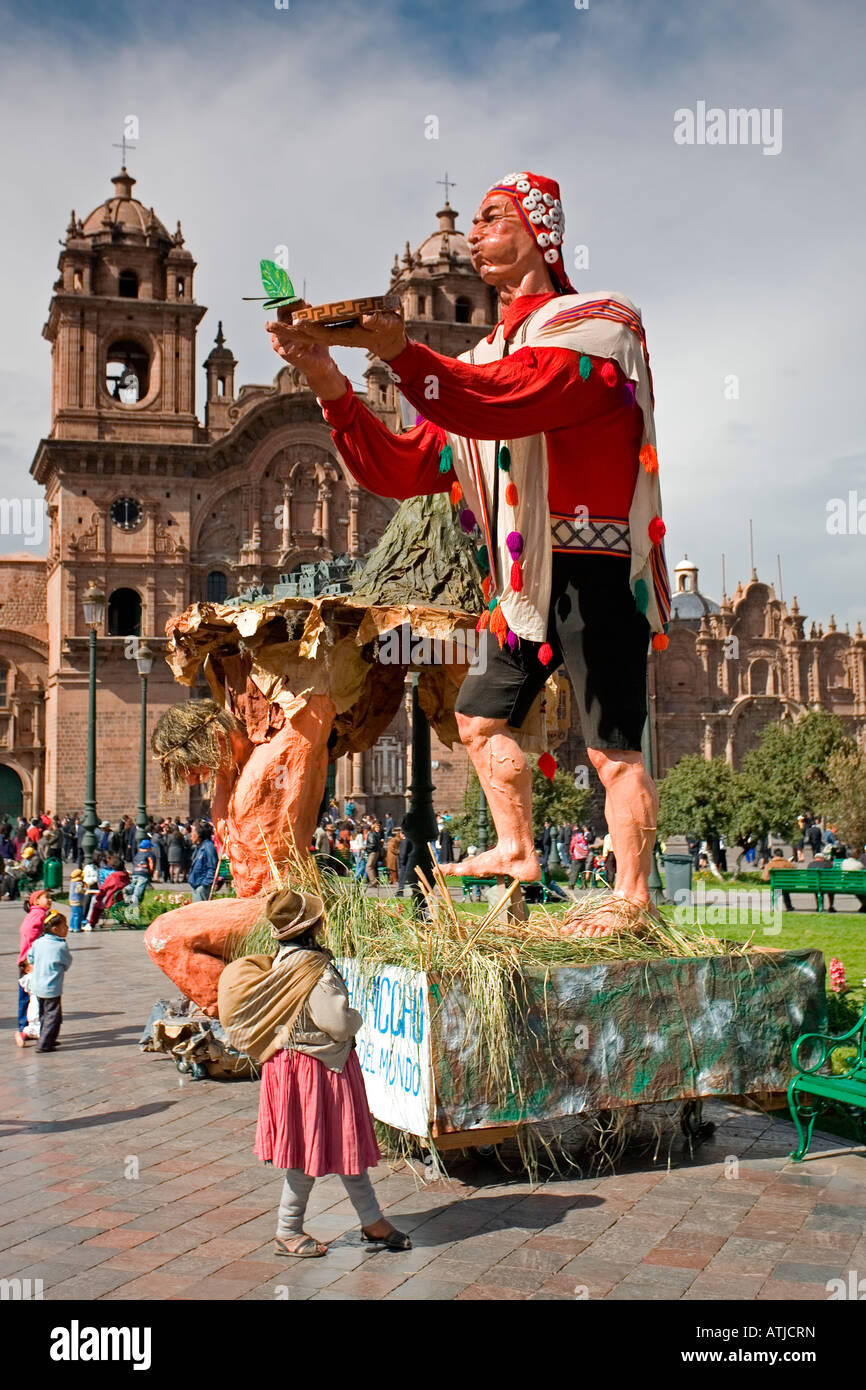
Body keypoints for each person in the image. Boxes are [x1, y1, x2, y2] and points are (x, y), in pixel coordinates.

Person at [268, 169, 667, 938]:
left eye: (492, 217)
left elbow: (512, 397)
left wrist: (406, 354)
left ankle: (632, 900)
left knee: (612, 750)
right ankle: (517, 849)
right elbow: (405, 468)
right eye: (477, 222)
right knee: (481, 721)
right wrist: (328, 380)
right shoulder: (482, 355)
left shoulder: (599, 324)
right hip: (518, 590)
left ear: (540, 230)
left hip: (593, 567)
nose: (477, 231)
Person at [221, 886, 410, 1257]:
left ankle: (372, 1221)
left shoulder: (281, 962)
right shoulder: (313, 969)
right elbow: (336, 1024)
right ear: (313, 926)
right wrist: (358, 1016)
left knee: (342, 1146)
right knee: (312, 1149)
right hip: (318, 1068)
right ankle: (288, 1230)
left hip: (292, 1066)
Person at [26, 909, 71, 1054]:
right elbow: (67, 963)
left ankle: (48, 1038)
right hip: (52, 987)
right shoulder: (60, 946)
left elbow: (30, 957)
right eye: (64, 926)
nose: (67, 928)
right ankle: (44, 1043)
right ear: (55, 929)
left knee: (44, 1014)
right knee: (53, 1015)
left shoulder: (38, 942)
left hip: (38, 985)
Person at [15, 889, 50, 1047]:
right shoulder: (39, 914)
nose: (49, 900)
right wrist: (34, 951)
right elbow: (28, 932)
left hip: (24, 960)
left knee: (25, 995)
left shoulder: (34, 913)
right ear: (36, 901)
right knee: (33, 996)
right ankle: (28, 1028)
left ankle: (24, 1026)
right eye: (46, 898)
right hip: (31, 962)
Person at [188, 821, 218, 902]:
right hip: (197, 885)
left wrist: (204, 885)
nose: (190, 835)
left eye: (192, 832)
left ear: (199, 834)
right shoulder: (199, 847)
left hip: (202, 887)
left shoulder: (208, 847)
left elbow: (212, 867)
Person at [127, 838, 156, 912]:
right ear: (148, 848)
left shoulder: (137, 854)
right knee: (138, 889)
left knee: (134, 884)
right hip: (143, 873)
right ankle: (134, 905)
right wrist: (151, 871)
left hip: (135, 872)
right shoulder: (149, 854)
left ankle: (128, 889)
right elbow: (151, 863)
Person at [68, 868, 86, 932]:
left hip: (72, 901)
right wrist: (84, 890)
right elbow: (79, 891)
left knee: (74, 914)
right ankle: (77, 927)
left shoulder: (72, 882)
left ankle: (71, 926)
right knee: (78, 915)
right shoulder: (79, 883)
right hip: (77, 901)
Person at [365, 821, 382, 886]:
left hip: (373, 852)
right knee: (372, 866)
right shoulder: (376, 834)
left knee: (368, 867)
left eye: (379, 827)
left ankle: (373, 881)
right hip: (376, 851)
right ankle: (375, 881)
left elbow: (372, 844)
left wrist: (366, 847)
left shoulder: (372, 833)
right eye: (377, 827)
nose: (378, 828)